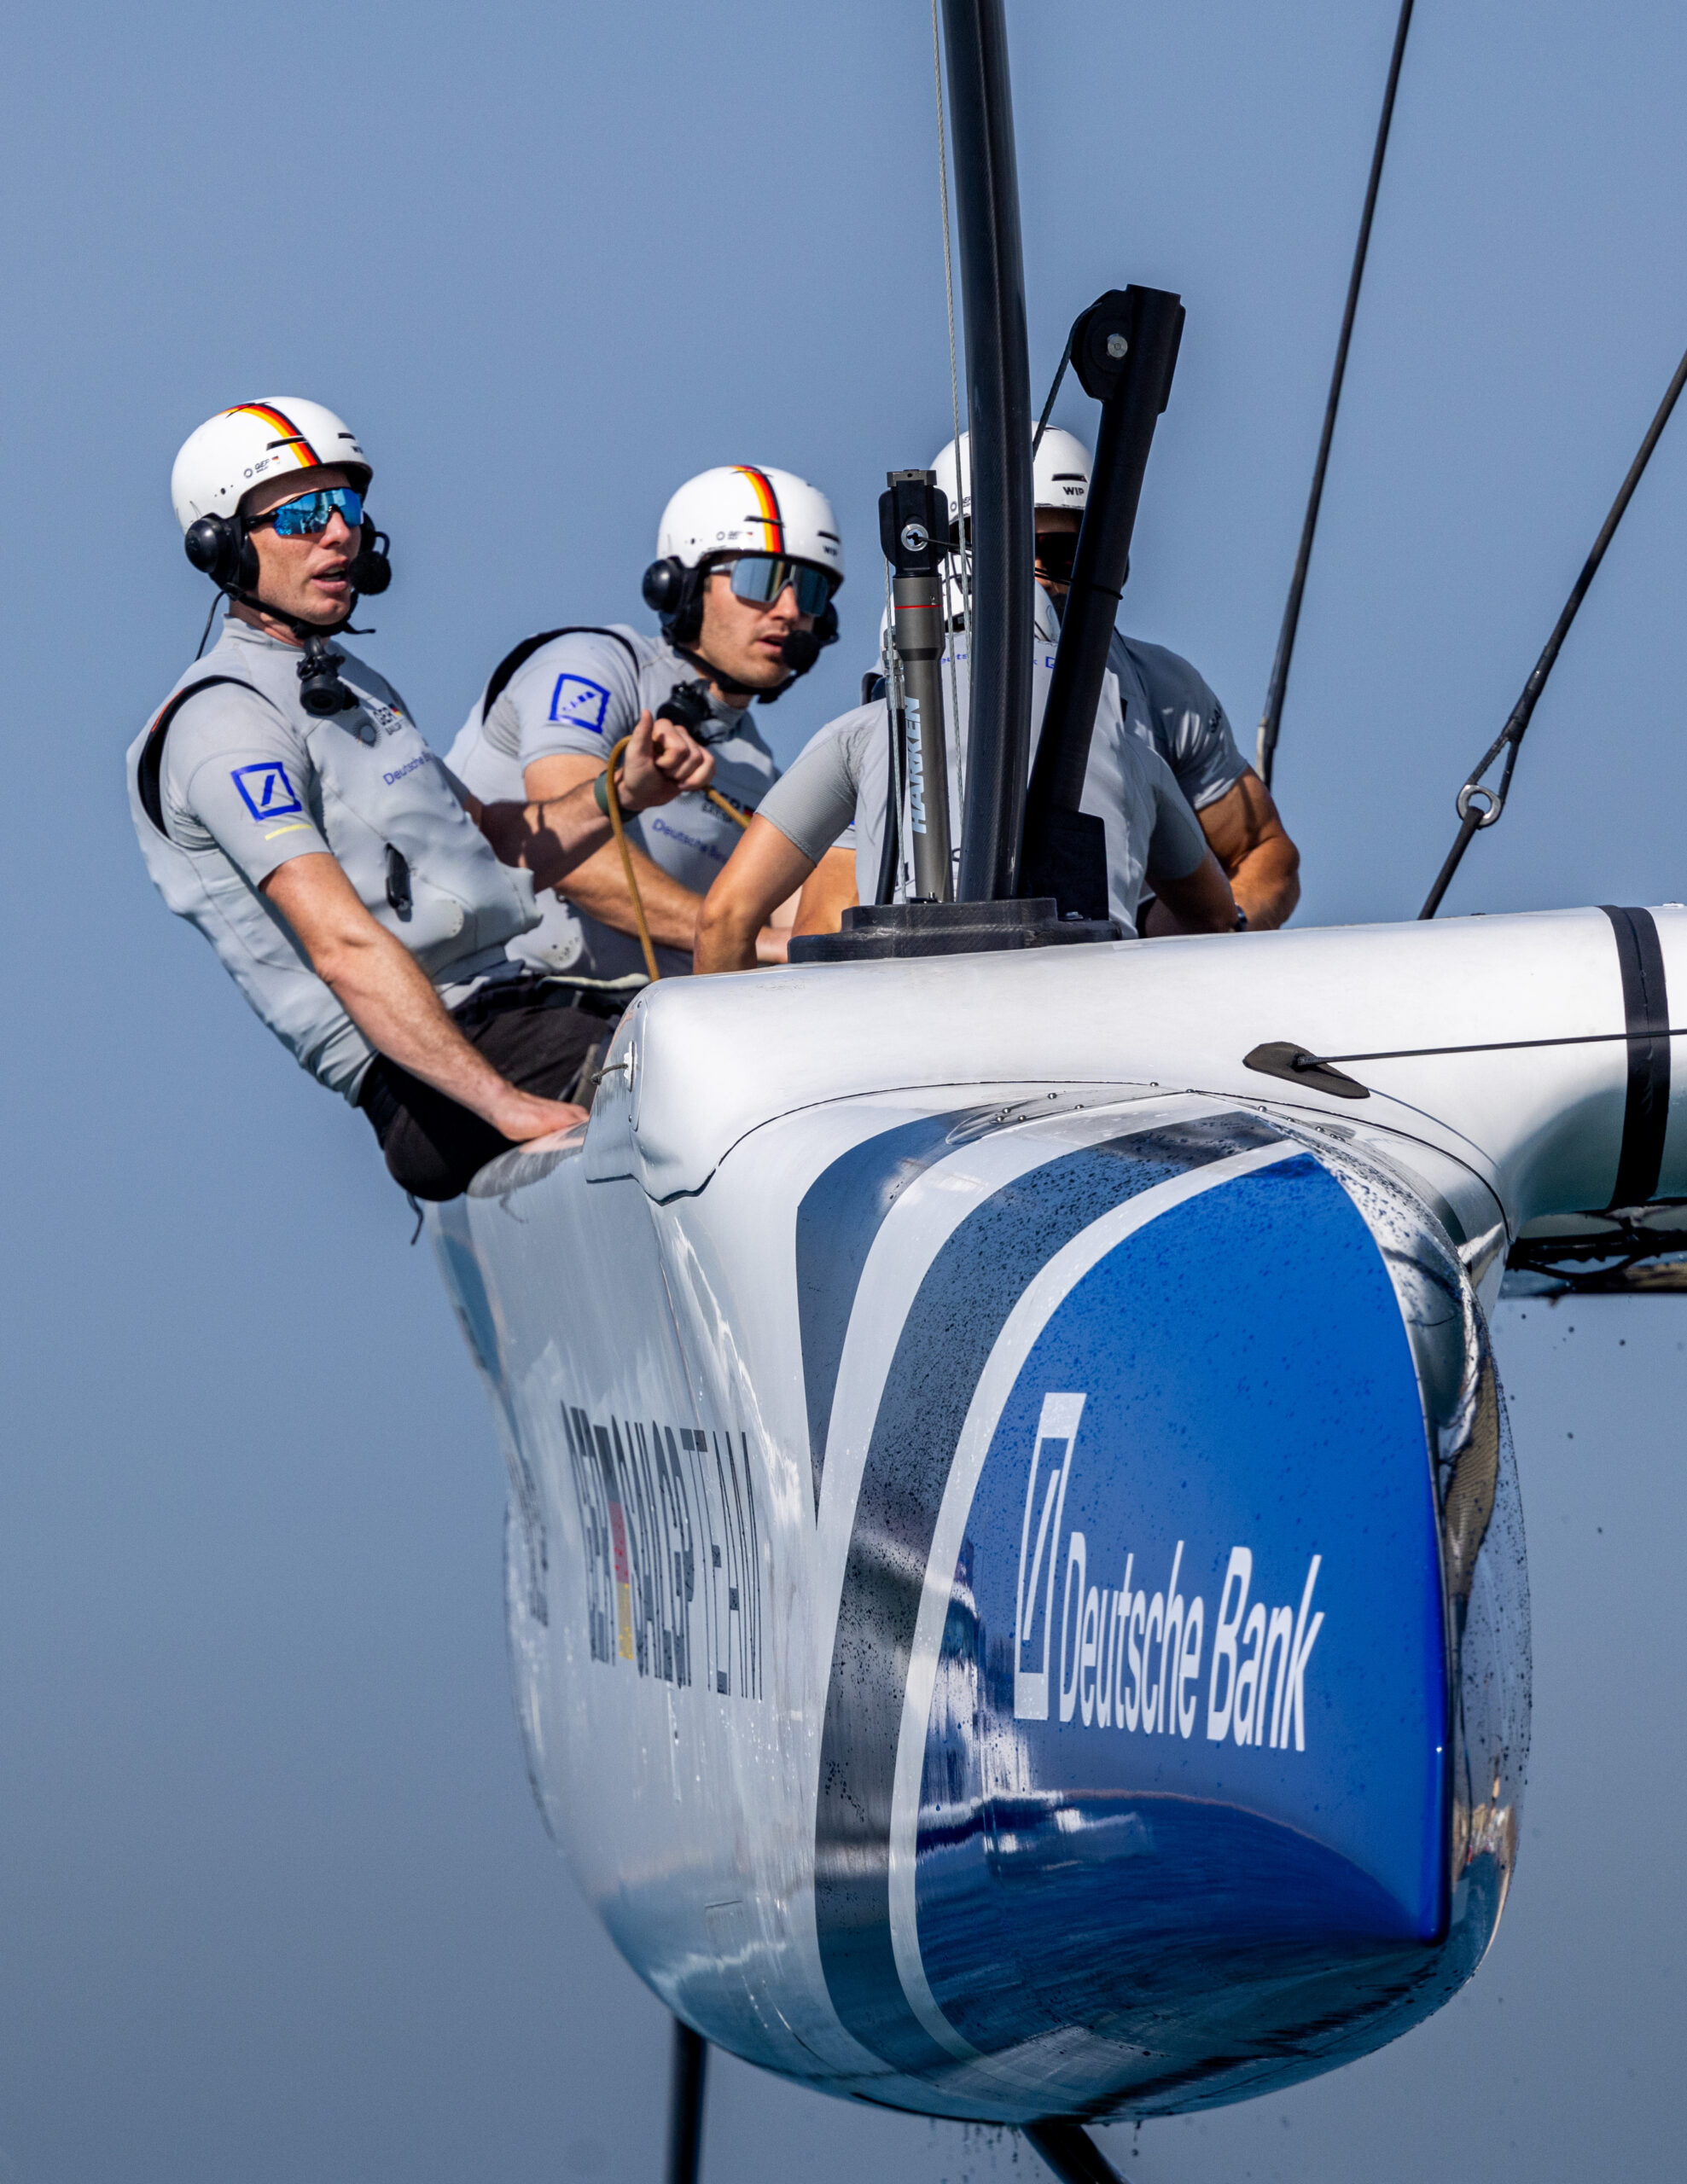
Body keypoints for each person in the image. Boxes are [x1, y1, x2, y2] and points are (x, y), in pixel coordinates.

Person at [127, 398, 714, 1202]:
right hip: (433, 1081)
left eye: (347, 507)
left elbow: (497, 848)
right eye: (303, 514)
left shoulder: (350, 684)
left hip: (523, 1013)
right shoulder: (224, 721)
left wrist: (622, 791)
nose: (338, 532)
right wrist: (508, 1112)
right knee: (724, 1061)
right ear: (221, 544)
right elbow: (343, 947)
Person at [790, 429, 1300, 937]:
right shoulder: (905, 701)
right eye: (997, 552)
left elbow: (1264, 854)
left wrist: (1195, 940)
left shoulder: (1166, 694)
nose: (1031, 577)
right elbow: (825, 919)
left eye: (1062, 555)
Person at [445, 464, 845, 986]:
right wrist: (747, 937)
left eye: (811, 590)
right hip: (508, 1005)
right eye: (760, 578)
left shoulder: (763, 775)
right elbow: (567, 848)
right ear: (680, 586)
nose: (789, 610)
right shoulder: (592, 666)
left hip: (634, 1041)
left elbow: (804, 928)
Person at [694, 608, 1237, 970]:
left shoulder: (863, 734)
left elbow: (726, 916)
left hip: (906, 1019)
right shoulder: (1132, 752)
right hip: (1096, 1008)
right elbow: (1213, 918)